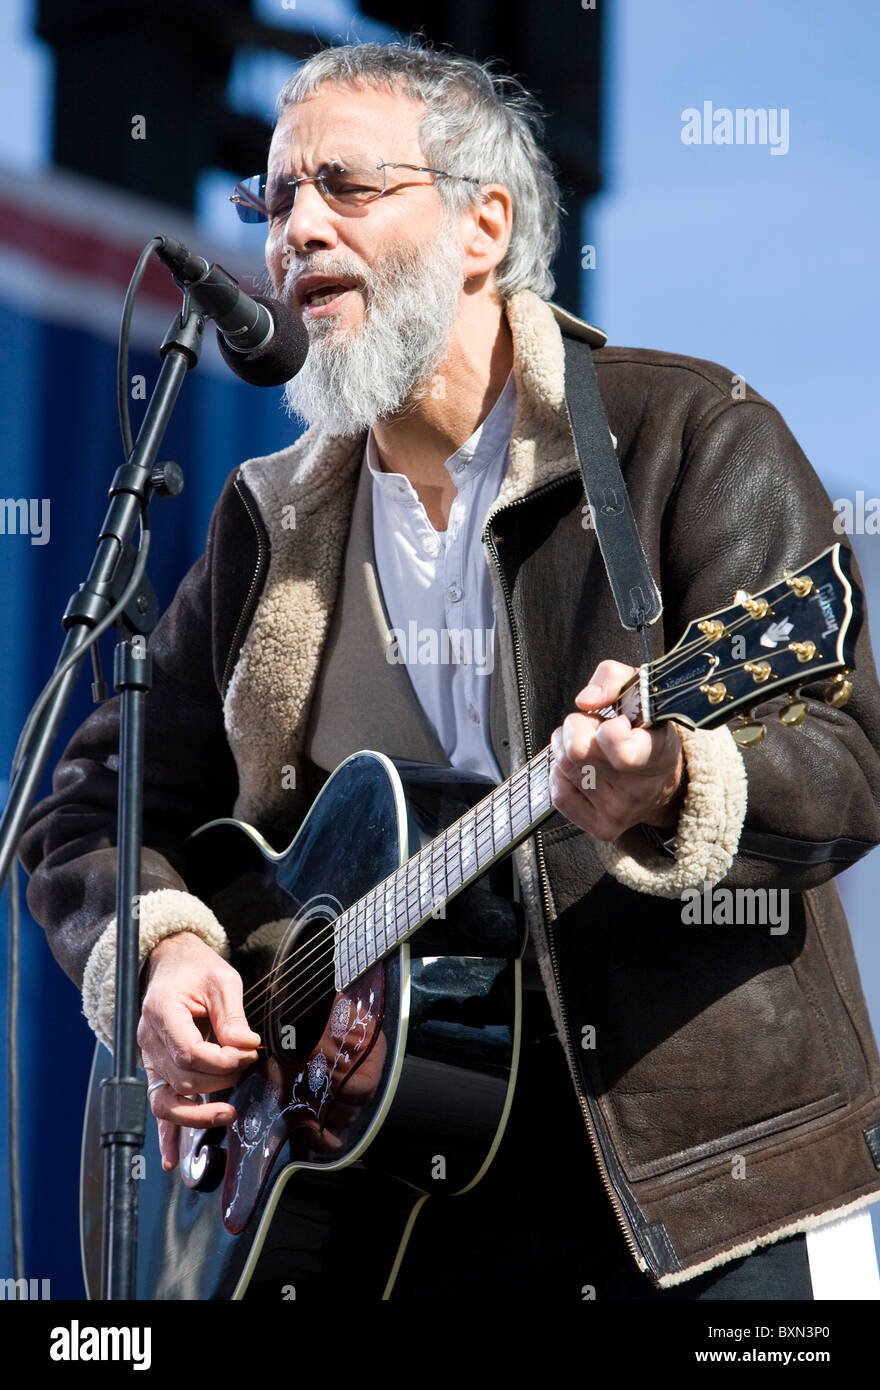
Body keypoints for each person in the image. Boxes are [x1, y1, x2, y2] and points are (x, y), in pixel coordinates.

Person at [21, 39, 880, 1300]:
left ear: (483, 228)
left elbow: (852, 748)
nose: (295, 230)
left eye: (347, 189)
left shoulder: (690, 435)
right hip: (400, 1198)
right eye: (275, 201)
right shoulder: (269, 520)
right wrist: (165, 955)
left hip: (699, 1192)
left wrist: (677, 779)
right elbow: (87, 799)